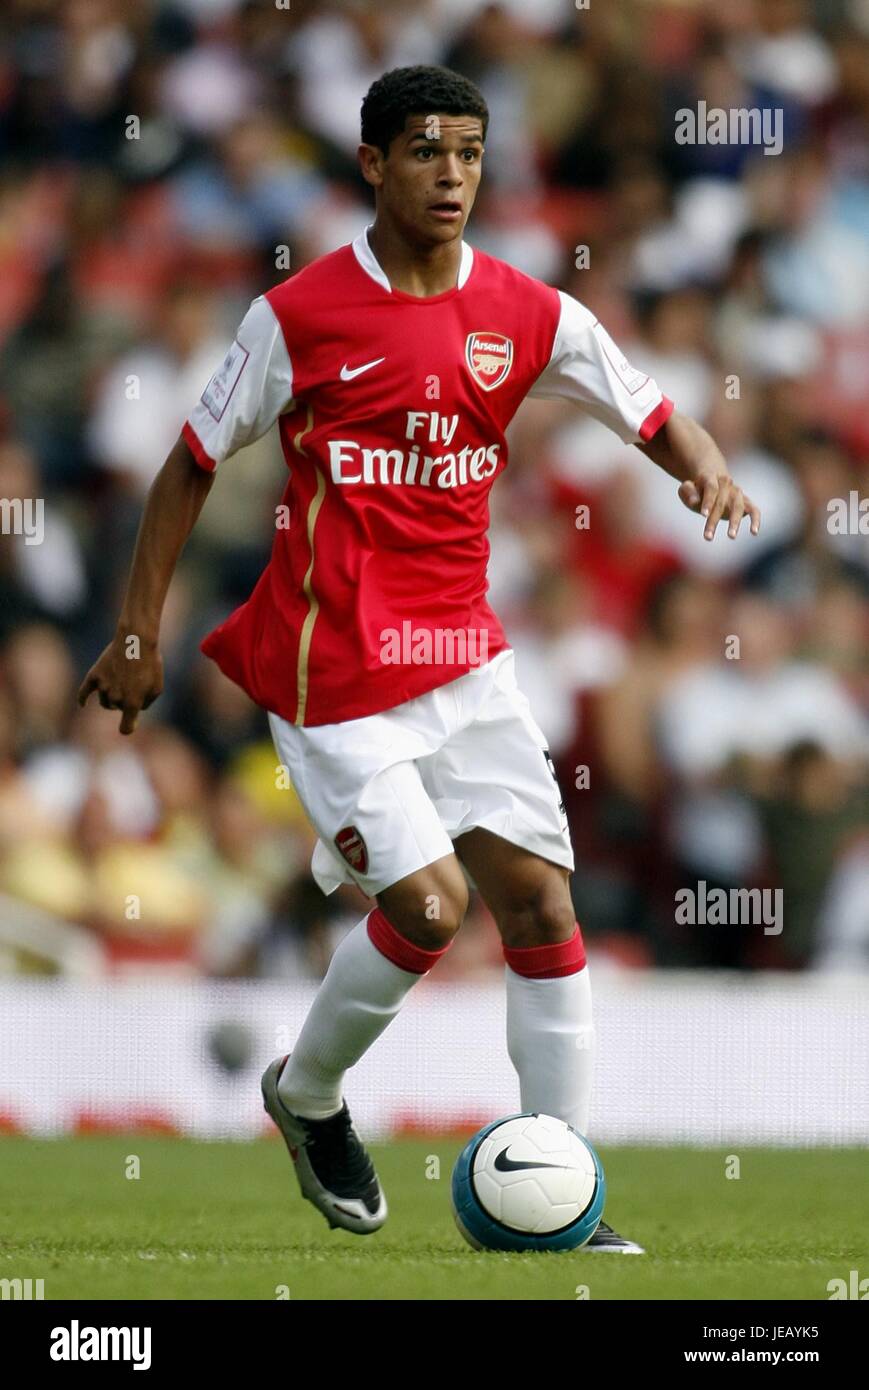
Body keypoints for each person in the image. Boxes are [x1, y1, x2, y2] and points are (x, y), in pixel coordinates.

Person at [78, 65, 760, 1251]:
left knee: (543, 904)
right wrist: (137, 631)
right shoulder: (298, 316)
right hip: (332, 671)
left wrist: (697, 463)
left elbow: (644, 408)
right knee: (431, 908)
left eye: (467, 153)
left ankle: (567, 1193)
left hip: (464, 662)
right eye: (425, 152)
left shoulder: (526, 310)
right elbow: (190, 459)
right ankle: (304, 1096)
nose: (450, 174)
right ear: (372, 166)